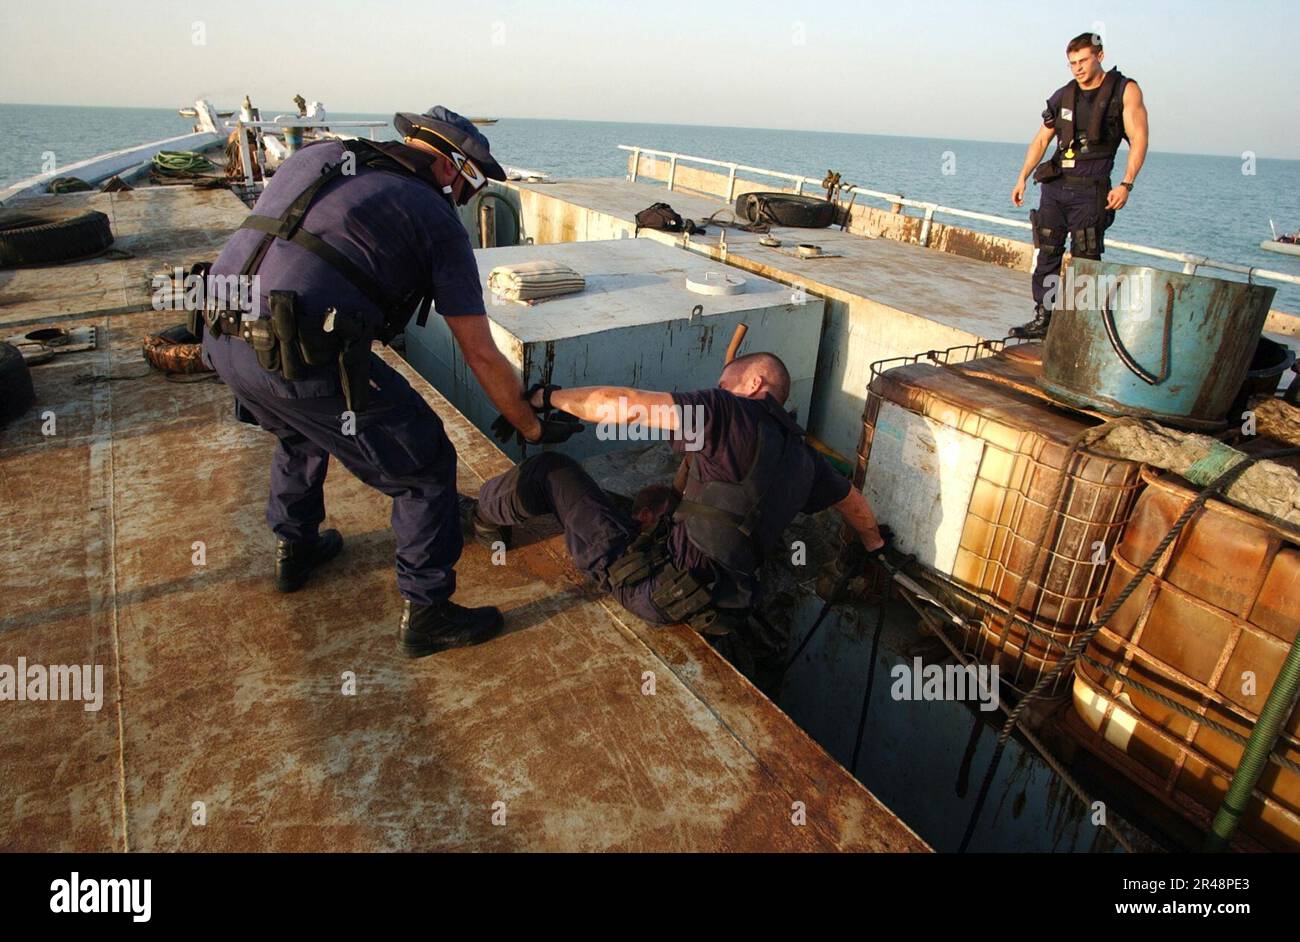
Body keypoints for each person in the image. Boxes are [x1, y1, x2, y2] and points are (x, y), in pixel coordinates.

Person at [197, 105, 579, 658]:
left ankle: (295, 546)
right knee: (423, 465)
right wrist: (529, 425)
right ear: (451, 168)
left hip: (222, 335)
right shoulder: (434, 216)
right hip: (298, 354)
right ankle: (427, 612)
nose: (465, 202)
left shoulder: (319, 156)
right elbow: (479, 352)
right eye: (471, 188)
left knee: (300, 430)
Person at [464, 352, 888, 695]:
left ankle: (479, 515)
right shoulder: (805, 459)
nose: (717, 390)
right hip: (721, 607)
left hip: (655, 592)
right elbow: (855, 504)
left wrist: (547, 399)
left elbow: (625, 406)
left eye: (724, 384)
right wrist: (875, 549)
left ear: (754, 385)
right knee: (613, 502)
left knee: (551, 471)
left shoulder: (727, 411)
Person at [1010, 32, 1149, 339]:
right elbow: (1042, 139)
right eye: (1072, 63)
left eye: (1083, 60)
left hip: (1091, 189)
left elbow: (1139, 138)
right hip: (1056, 186)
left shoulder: (1124, 91)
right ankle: (1044, 318)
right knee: (1047, 250)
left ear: (1100, 56)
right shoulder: (1063, 95)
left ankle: (1078, 326)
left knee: (1085, 258)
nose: (1077, 68)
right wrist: (1022, 176)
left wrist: (1127, 183)